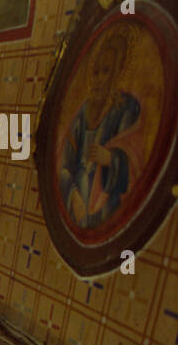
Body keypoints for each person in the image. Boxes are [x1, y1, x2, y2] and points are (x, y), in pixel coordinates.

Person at [58, 28, 144, 230]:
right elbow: (63, 163)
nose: (98, 79)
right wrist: (72, 194)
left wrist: (111, 159)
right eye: (95, 72)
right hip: (77, 205)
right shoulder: (83, 114)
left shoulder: (126, 110)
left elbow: (136, 164)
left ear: (117, 73)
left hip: (106, 209)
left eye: (106, 71)